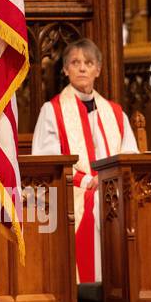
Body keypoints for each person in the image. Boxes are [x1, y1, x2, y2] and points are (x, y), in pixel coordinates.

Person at [31, 38, 138, 283]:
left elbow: (130, 156)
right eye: (75, 63)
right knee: (96, 202)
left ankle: (120, 285)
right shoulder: (52, 110)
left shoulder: (115, 112)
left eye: (88, 63)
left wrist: (109, 180)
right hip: (73, 190)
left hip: (112, 188)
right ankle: (89, 286)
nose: (81, 68)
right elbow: (47, 161)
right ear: (65, 69)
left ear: (97, 70)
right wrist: (86, 180)